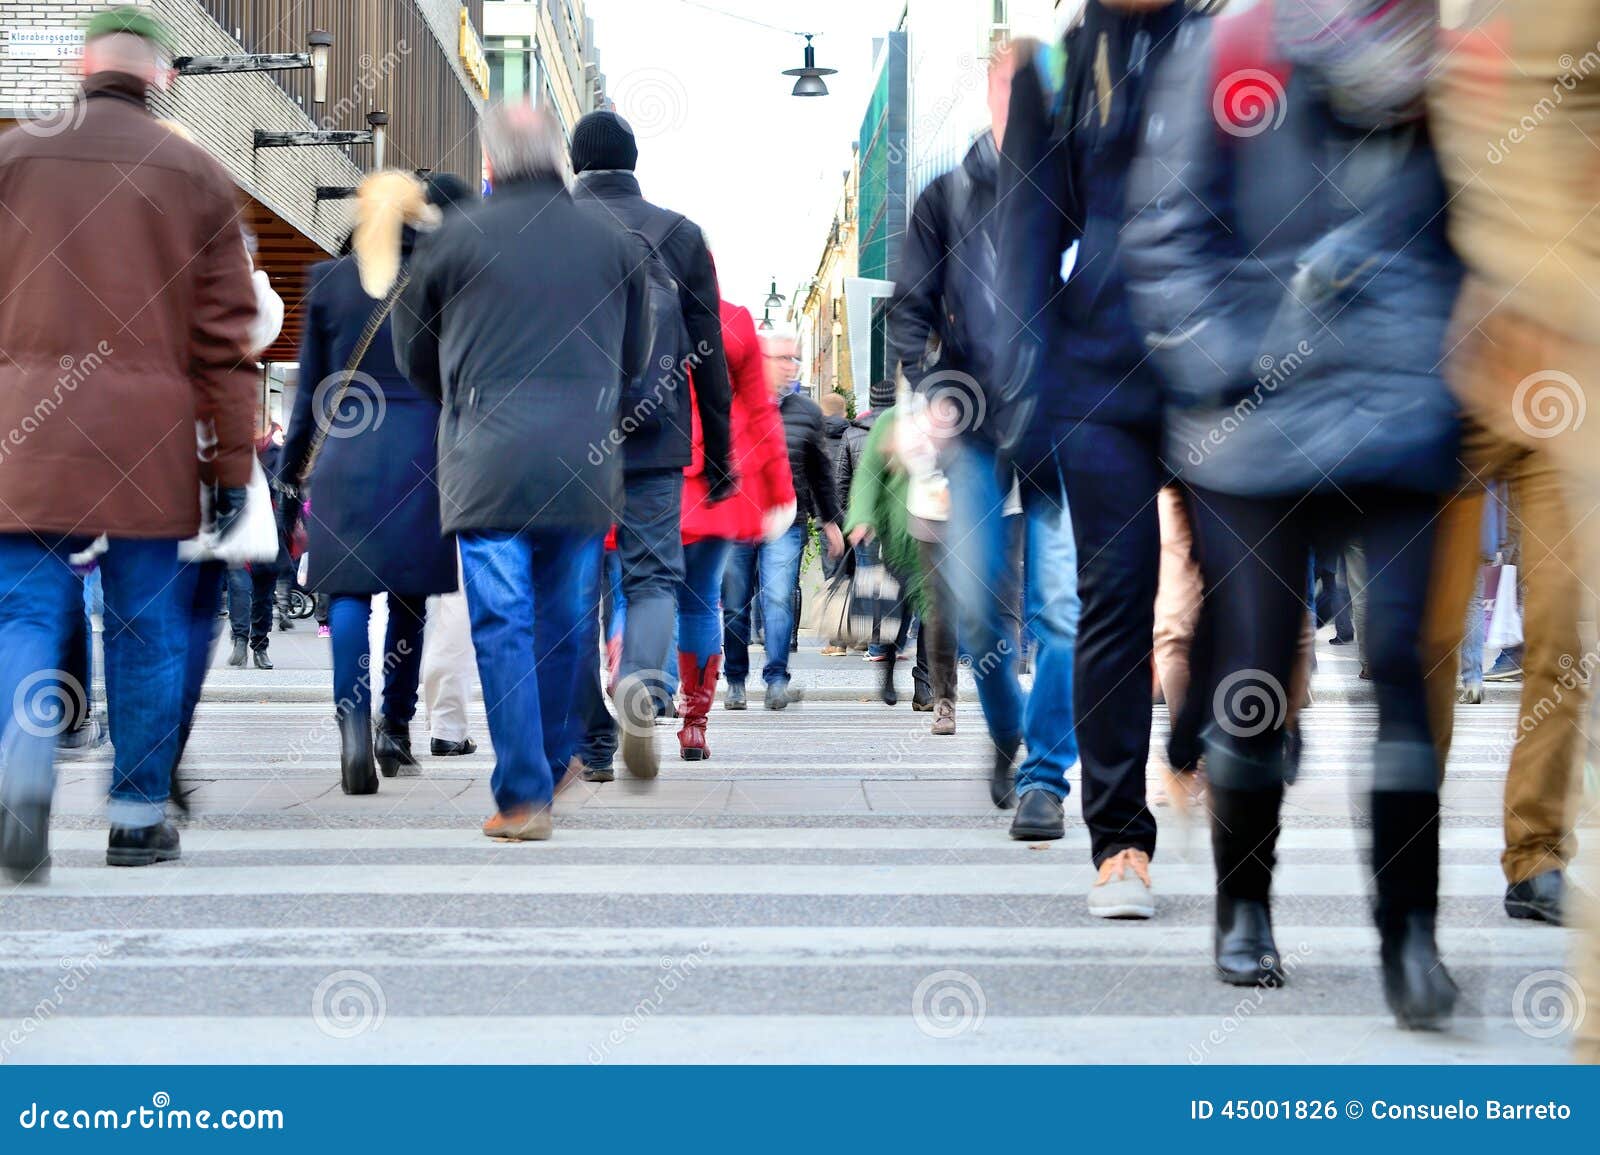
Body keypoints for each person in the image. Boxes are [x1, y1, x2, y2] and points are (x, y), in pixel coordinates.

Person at [1122, 0, 1460, 1026]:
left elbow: (1476, 228)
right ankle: (1244, 906)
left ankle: (1409, 935)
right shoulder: (1229, 50)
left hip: (1401, 406)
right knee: (1256, 665)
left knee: (1402, 661)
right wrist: (1231, 360)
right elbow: (1165, 232)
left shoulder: (1438, 53)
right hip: (1254, 423)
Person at [0, 8, 256, 878]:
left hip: (23, 438)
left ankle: (21, 779)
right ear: (164, 78)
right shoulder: (195, 174)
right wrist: (229, 468)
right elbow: (226, 346)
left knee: (24, 612)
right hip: (148, 444)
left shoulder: (12, 158)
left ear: (81, 66)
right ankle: (139, 817)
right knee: (147, 626)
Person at [394, 102, 648, 841]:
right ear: (559, 158)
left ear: (492, 162)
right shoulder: (612, 239)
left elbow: (416, 352)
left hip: (487, 460)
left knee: (503, 618)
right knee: (567, 619)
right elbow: (635, 359)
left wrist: (464, 404)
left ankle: (523, 795)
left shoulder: (454, 240)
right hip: (581, 460)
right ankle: (558, 755)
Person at [1429, 0, 1600, 1059]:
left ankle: (1533, 851)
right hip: (1442, 366)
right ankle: (1405, 867)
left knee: (1563, 624)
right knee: (1422, 639)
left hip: (1563, 367)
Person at [892, 37, 1079, 828]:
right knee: (973, 610)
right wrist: (934, 393)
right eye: (1014, 87)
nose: (1028, 103)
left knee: (1062, 605)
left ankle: (1044, 773)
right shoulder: (945, 199)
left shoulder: (1079, 185)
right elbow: (910, 311)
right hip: (974, 428)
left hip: (1068, 423)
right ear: (993, 93)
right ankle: (1007, 735)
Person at [279, 172, 465, 794]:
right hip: (423, 453)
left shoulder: (329, 282)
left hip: (347, 453)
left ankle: (353, 727)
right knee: (411, 600)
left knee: (350, 596)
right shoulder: (443, 278)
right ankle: (396, 727)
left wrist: (288, 478)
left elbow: (308, 394)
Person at [570, 109, 734, 781]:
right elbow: (709, 353)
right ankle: (642, 683)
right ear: (634, 161)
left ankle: (592, 743)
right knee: (653, 575)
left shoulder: (544, 229)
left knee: (570, 586)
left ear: (575, 162)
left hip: (563, 436)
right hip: (655, 435)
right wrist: (719, 450)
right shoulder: (680, 234)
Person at [722, 333, 844, 710]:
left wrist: (831, 521)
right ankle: (736, 680)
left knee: (778, 599)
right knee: (735, 603)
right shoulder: (731, 403)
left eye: (795, 358)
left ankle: (776, 679)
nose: (791, 365)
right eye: (782, 358)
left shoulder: (807, 411)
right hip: (737, 519)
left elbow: (820, 471)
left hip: (786, 518)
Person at [842, 385, 959, 736]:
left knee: (935, 613)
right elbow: (868, 474)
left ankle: (930, 688)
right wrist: (861, 517)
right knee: (897, 611)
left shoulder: (961, 417)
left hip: (942, 534)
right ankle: (889, 666)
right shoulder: (894, 419)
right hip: (896, 536)